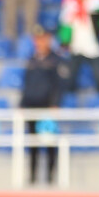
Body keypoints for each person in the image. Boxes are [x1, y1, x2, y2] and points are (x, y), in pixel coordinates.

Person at [21, 26, 67, 184]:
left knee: (49, 143)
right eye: (37, 39)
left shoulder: (55, 60)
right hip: (32, 107)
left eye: (43, 38)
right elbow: (26, 85)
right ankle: (32, 177)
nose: (40, 42)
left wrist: (55, 104)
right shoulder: (32, 60)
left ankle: (50, 177)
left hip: (47, 108)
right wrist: (22, 104)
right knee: (32, 144)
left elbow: (59, 85)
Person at [59, 0, 99, 93]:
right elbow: (64, 23)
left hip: (92, 44)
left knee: (98, 76)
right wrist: (65, 41)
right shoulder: (71, 4)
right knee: (71, 77)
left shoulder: (96, 2)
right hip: (76, 45)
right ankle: (70, 100)